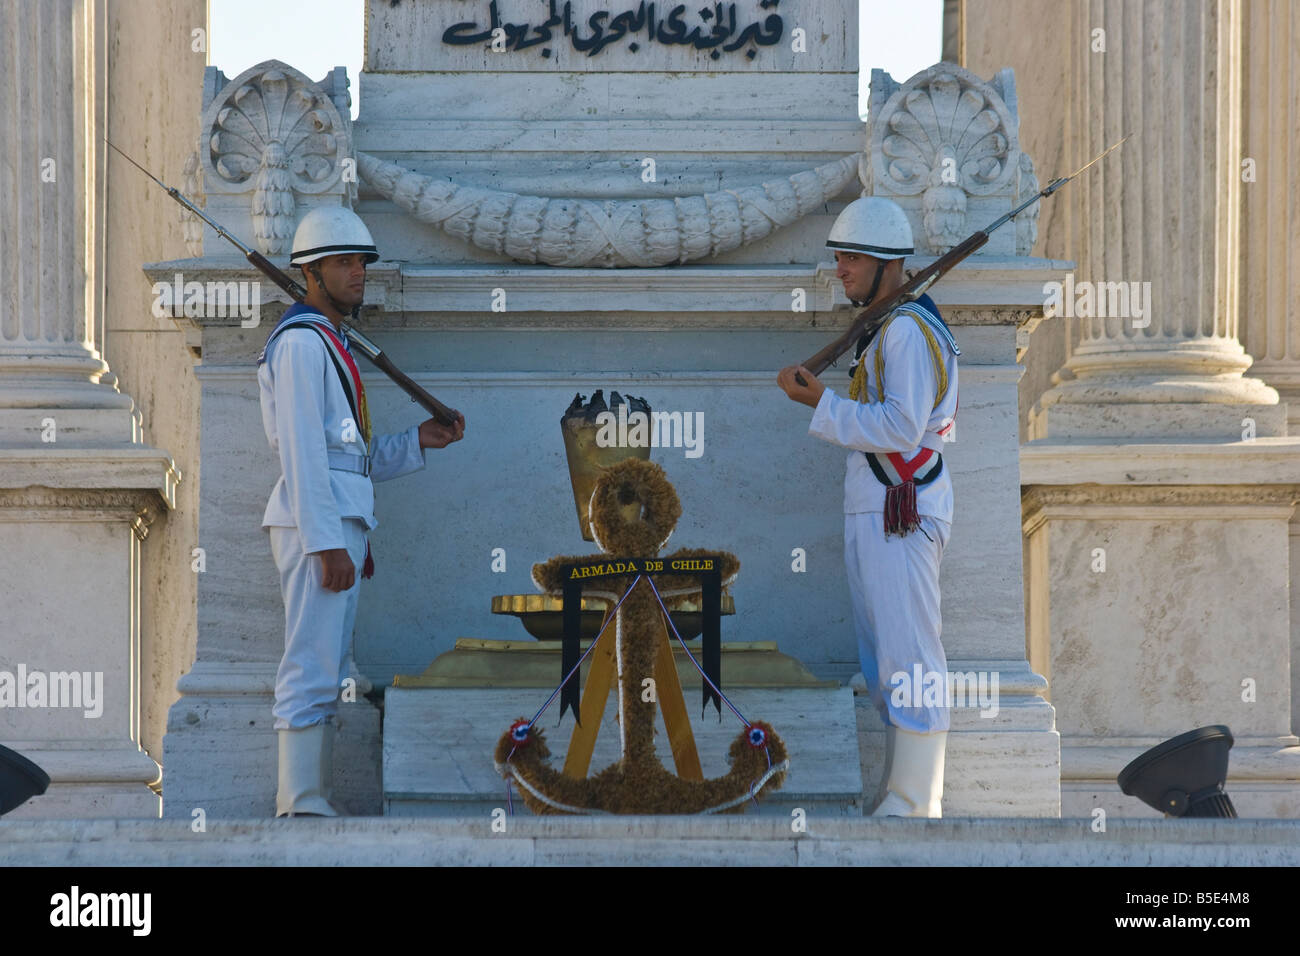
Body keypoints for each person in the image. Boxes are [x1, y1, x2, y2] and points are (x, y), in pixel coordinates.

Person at [257, 206, 465, 816]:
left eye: (362, 262)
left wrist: (417, 443)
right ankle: (299, 801)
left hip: (337, 520)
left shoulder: (330, 343)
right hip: (314, 526)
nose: (358, 273)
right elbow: (301, 454)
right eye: (343, 262)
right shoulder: (300, 344)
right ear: (310, 274)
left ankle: (309, 797)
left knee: (327, 660)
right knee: (310, 660)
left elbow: (352, 459)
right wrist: (324, 543)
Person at [777, 196, 959, 818]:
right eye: (840, 257)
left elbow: (904, 426)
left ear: (887, 264)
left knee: (910, 656)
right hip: (881, 505)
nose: (842, 269)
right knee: (886, 660)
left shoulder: (905, 329)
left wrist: (820, 405)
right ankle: (899, 796)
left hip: (900, 506)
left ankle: (915, 803)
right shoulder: (892, 326)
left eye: (853, 257)